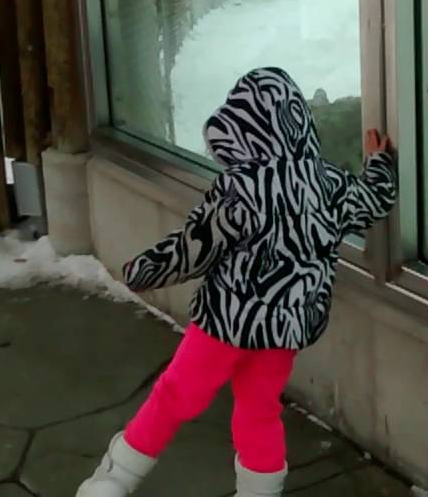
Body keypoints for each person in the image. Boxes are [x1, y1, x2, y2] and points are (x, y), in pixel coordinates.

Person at [76, 66, 398, 497]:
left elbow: (197, 247)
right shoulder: (329, 184)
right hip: (283, 329)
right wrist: (380, 163)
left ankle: (114, 479)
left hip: (226, 322)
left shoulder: (240, 187)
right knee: (259, 410)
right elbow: (372, 201)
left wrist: (144, 269)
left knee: (176, 396)